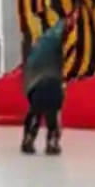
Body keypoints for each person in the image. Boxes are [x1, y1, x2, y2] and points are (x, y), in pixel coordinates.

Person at [22, 18, 68, 155]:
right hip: (51, 79)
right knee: (52, 112)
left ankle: (28, 139)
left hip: (35, 81)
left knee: (35, 110)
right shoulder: (63, 36)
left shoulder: (42, 40)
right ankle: (52, 142)